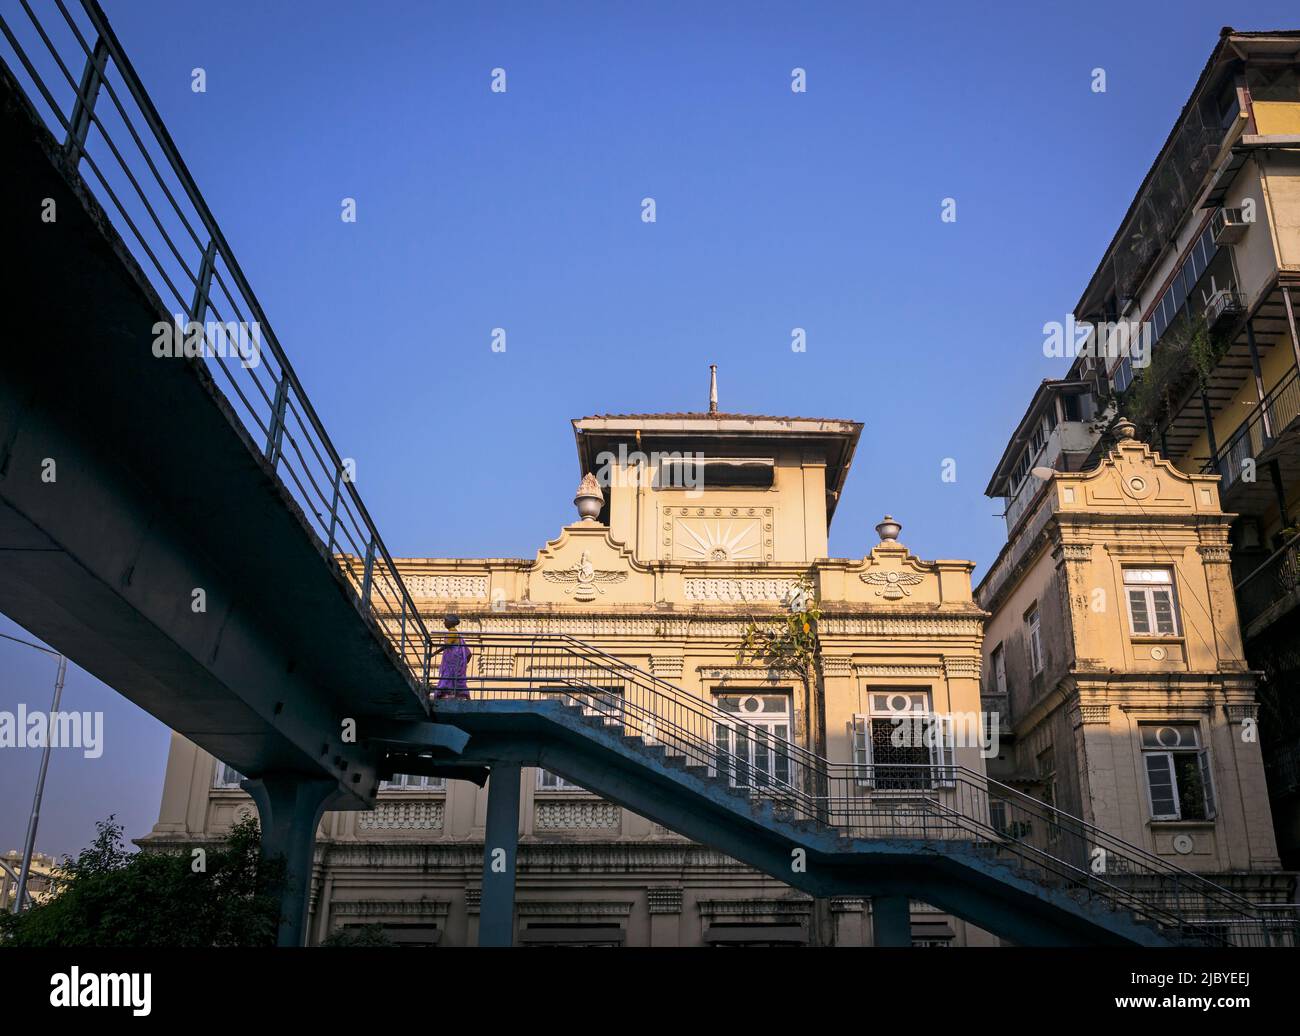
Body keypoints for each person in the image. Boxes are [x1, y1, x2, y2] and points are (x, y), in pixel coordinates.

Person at [431, 615, 472, 700]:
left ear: (451, 622)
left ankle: (441, 693)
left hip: (452, 660)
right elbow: (468, 653)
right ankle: (464, 696)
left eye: (445, 620)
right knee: (456, 677)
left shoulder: (452, 632)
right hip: (455, 660)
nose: (444, 623)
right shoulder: (456, 633)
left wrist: (434, 653)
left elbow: (447, 645)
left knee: (448, 675)